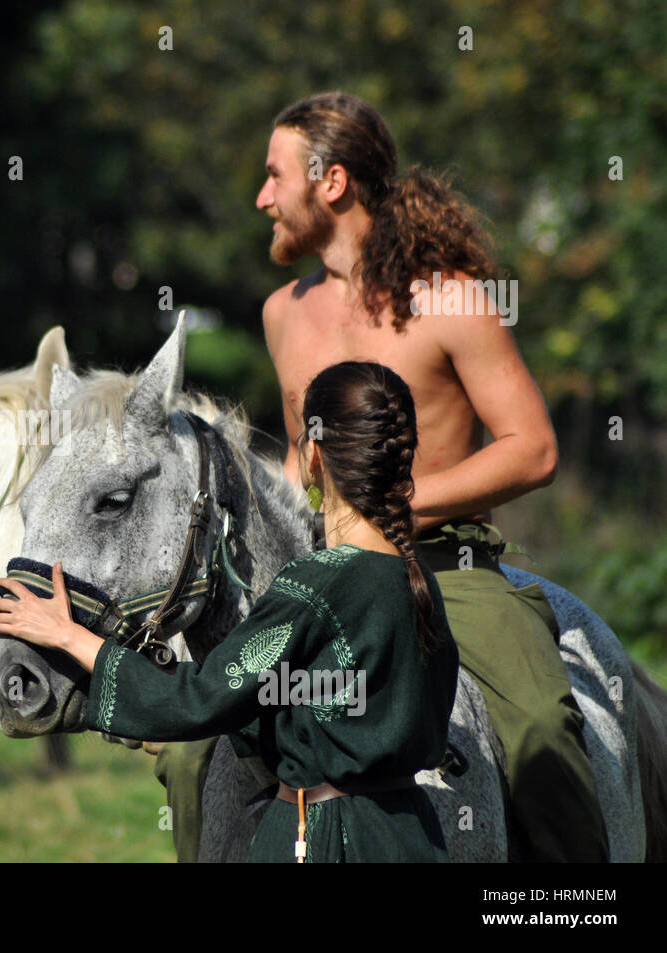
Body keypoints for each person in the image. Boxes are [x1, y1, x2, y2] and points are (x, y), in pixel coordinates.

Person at [158, 91, 608, 863]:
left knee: (538, 726)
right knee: (194, 749)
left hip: (444, 567)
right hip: (319, 574)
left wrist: (389, 510)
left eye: (274, 176)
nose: (262, 197)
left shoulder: (452, 300)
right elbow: (302, 465)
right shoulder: (281, 313)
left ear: (331, 183)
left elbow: (531, 447)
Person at [0, 362, 460, 861]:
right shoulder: (417, 580)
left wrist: (69, 637)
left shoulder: (316, 585)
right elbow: (329, 710)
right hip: (411, 836)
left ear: (313, 456)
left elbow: (202, 698)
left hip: (321, 837)